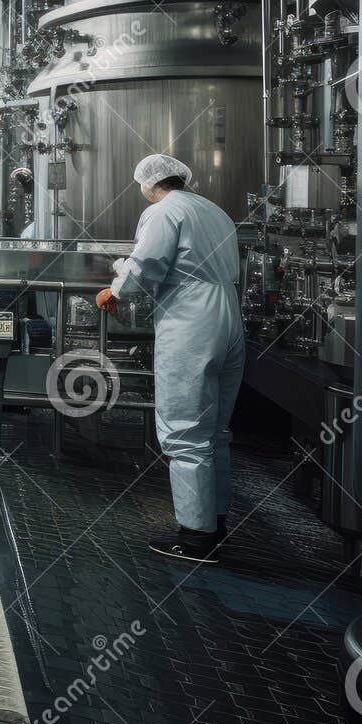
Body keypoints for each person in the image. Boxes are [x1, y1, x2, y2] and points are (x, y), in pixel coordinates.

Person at [96, 153, 244, 564]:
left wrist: (115, 287)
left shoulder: (164, 211)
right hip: (229, 315)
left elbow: (148, 268)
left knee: (185, 429)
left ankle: (196, 537)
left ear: (150, 183)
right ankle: (216, 520)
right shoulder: (214, 210)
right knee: (216, 430)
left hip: (191, 320)